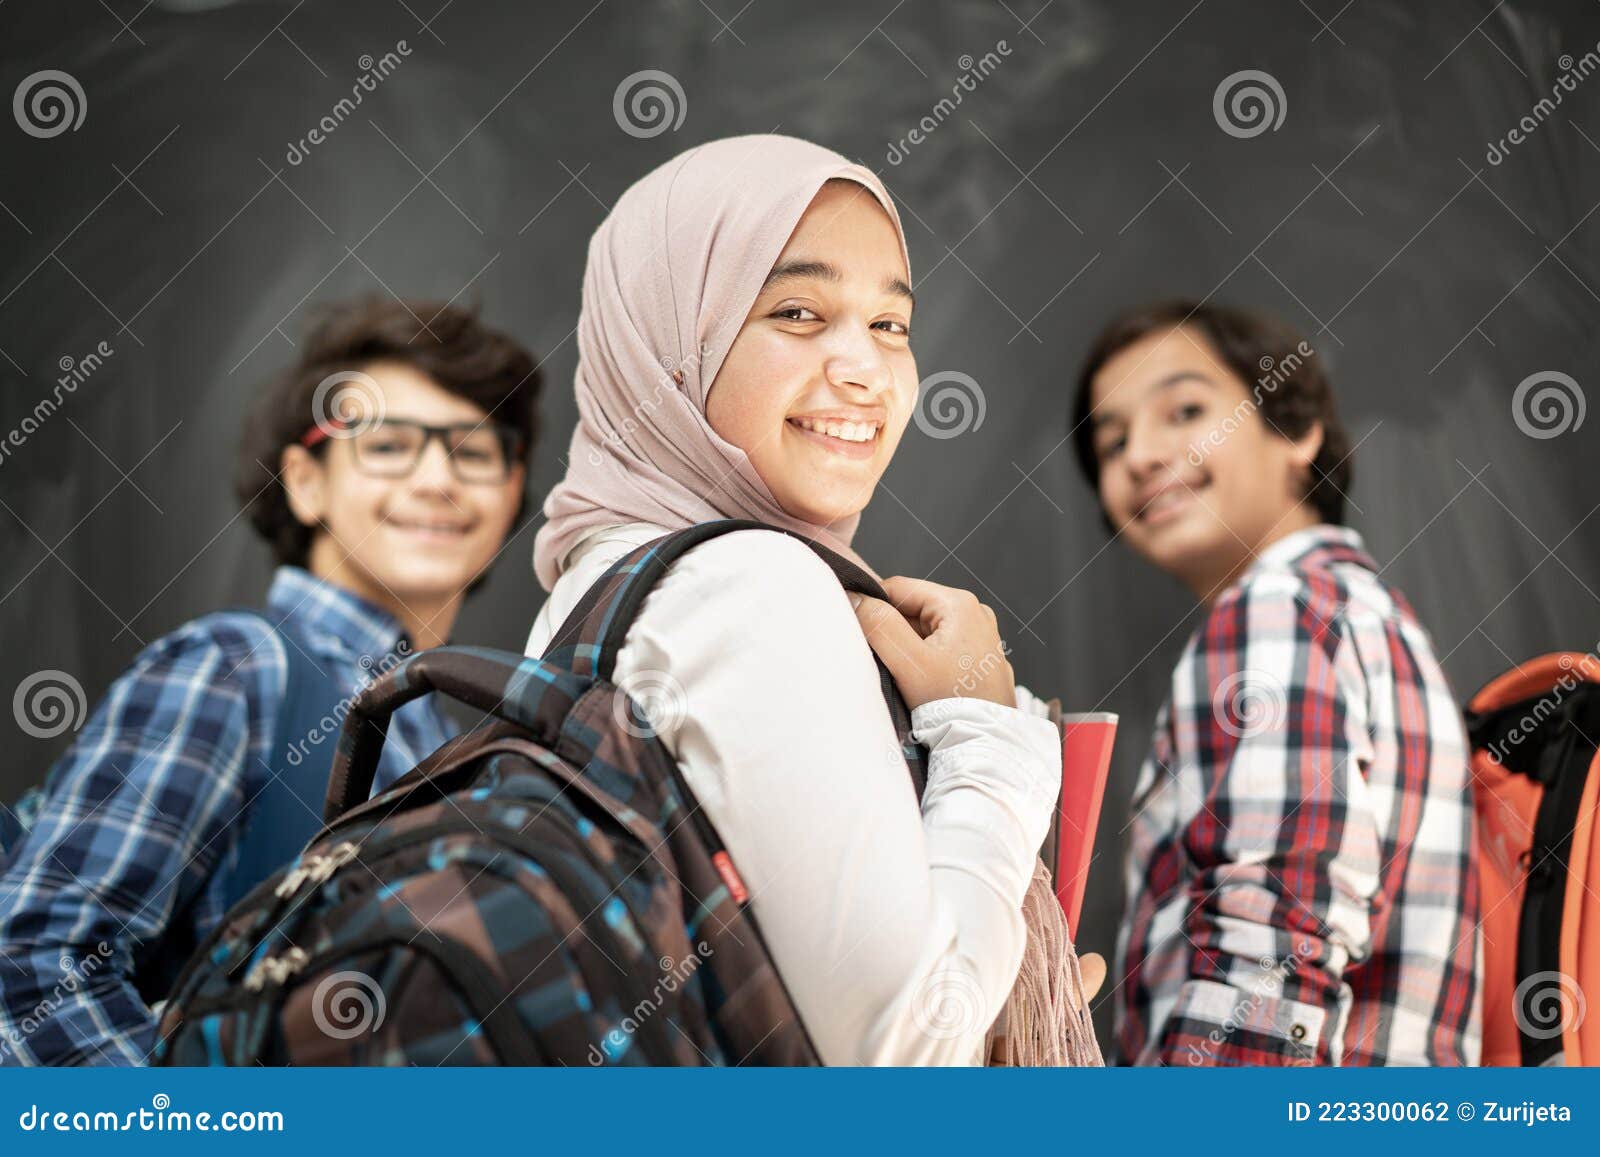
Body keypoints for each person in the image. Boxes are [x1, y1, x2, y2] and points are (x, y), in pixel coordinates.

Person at [523, 133, 1102, 1067]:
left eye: (890, 325)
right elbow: (908, 1058)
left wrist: (1014, 980)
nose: (866, 370)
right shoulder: (749, 584)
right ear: (667, 341)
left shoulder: (598, 586)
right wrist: (985, 729)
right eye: (798, 310)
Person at [0, 298, 541, 1065]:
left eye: (476, 450)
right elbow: (32, 965)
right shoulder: (240, 666)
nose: (438, 479)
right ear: (305, 481)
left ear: (514, 487)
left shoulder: (463, 747)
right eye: (387, 444)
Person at [1070, 300, 1480, 1066]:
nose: (1140, 455)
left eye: (1185, 410)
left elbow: (1272, 934)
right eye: (1112, 440)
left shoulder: (1277, 609)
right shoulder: (1360, 610)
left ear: (1295, 431)